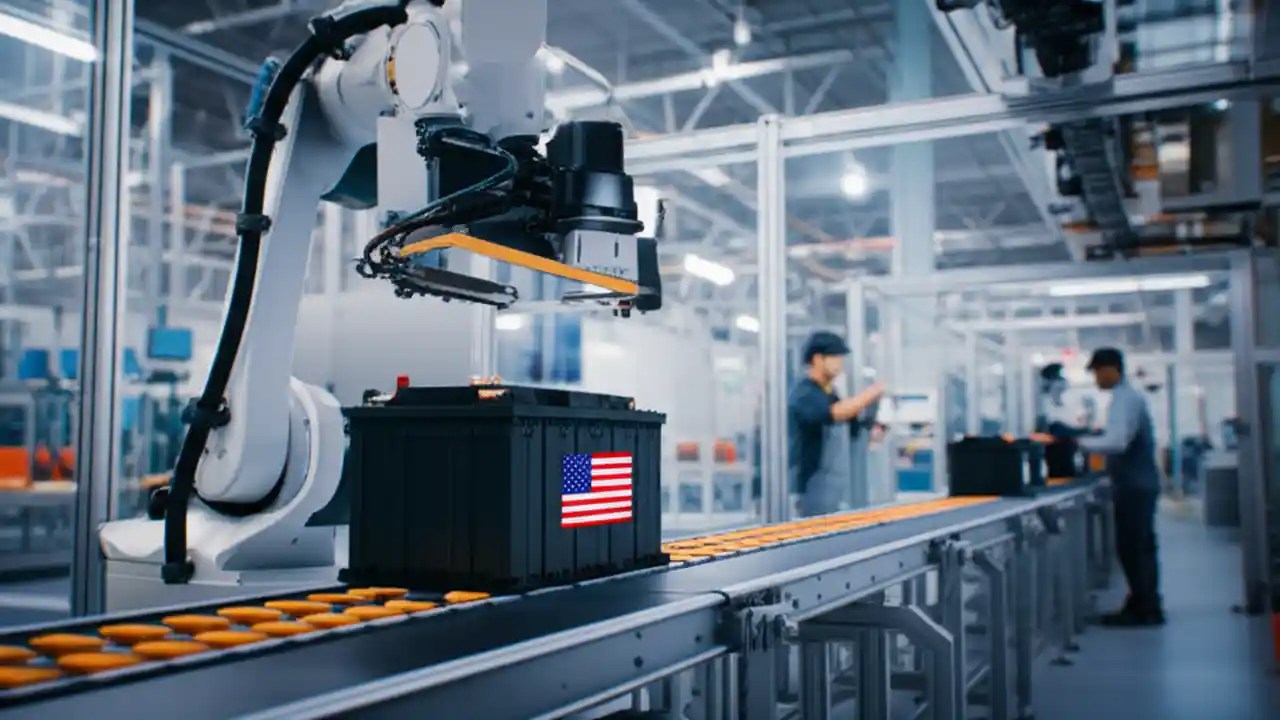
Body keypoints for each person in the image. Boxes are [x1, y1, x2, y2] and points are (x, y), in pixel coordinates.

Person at [1078, 347, 1165, 626]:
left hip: (1134, 486)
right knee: (1141, 547)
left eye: (1097, 372)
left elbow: (1117, 441)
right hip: (1139, 483)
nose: (1096, 379)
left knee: (1132, 547)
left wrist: (1079, 443)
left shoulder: (1123, 399)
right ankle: (1145, 602)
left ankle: (1144, 608)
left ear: (1112, 369)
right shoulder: (1127, 397)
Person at [788, 331, 885, 518]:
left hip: (833, 488)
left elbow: (852, 426)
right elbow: (835, 413)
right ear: (817, 359)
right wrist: (871, 393)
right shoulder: (805, 393)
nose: (840, 362)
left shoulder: (831, 393)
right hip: (809, 488)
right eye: (835, 357)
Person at [1035, 363, 1088, 478]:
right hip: (1055, 448)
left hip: (1068, 446)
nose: (1062, 383)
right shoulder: (1043, 405)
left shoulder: (1070, 403)